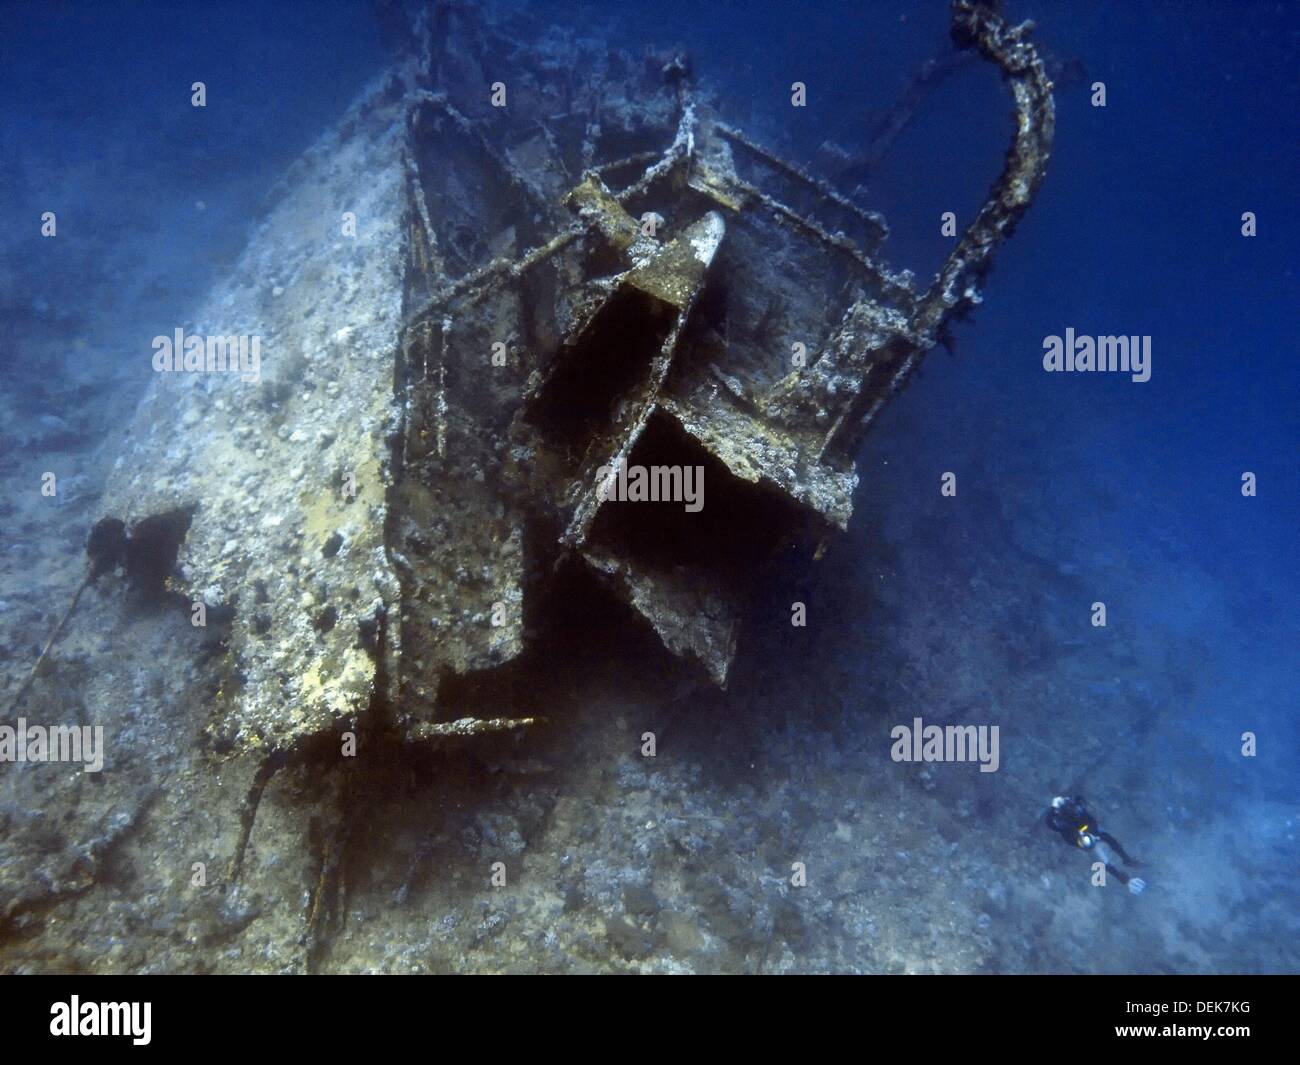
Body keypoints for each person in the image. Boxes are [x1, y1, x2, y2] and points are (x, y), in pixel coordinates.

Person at [1045, 795, 1146, 894]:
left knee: (1108, 839)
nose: (1070, 809)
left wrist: (1089, 831)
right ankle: (1122, 876)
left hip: (1089, 831)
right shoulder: (1060, 819)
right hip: (1080, 839)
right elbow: (1051, 824)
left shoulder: (1076, 808)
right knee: (1101, 858)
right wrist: (1053, 808)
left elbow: (1090, 819)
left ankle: (1127, 860)